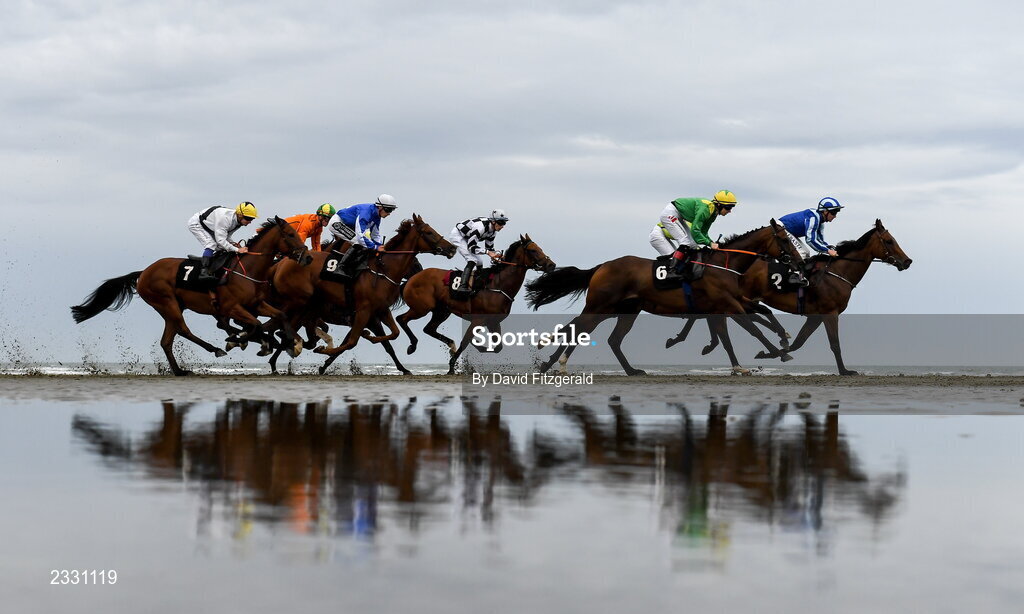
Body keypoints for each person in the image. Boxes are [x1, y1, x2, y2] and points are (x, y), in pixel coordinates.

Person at [326, 194, 398, 274]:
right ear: (380, 207)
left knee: (364, 243)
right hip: (337, 222)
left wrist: (379, 245)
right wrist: (375, 247)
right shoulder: (366, 213)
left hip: (348, 225)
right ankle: (341, 267)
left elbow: (375, 235)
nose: (389, 213)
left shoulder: (377, 217)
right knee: (358, 241)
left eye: (391, 210)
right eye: (388, 210)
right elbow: (360, 236)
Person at [186, 201, 258, 282]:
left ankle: (208, 261)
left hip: (211, 227)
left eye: (252, 219)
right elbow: (221, 240)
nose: (250, 222)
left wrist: (234, 244)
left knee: (221, 247)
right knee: (211, 244)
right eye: (248, 218)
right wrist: (237, 250)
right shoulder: (225, 219)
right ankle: (203, 272)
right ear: (240, 215)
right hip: (197, 224)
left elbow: (226, 237)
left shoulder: (238, 222)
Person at [448, 209, 508, 296]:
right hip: (458, 235)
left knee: (480, 262)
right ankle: (462, 286)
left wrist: (497, 256)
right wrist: (488, 252)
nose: (502, 226)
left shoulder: (493, 232)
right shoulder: (480, 228)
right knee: (472, 259)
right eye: (501, 223)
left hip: (467, 238)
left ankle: (477, 284)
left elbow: (489, 248)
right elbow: (472, 247)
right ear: (493, 222)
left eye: (504, 223)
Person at [778, 197, 843, 259]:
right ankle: (792, 270)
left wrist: (829, 248)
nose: (835, 216)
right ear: (825, 211)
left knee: (806, 253)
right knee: (802, 253)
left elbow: (820, 240)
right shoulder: (813, 218)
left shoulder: (820, 222)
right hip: (780, 229)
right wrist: (828, 251)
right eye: (833, 213)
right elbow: (810, 240)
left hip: (787, 231)